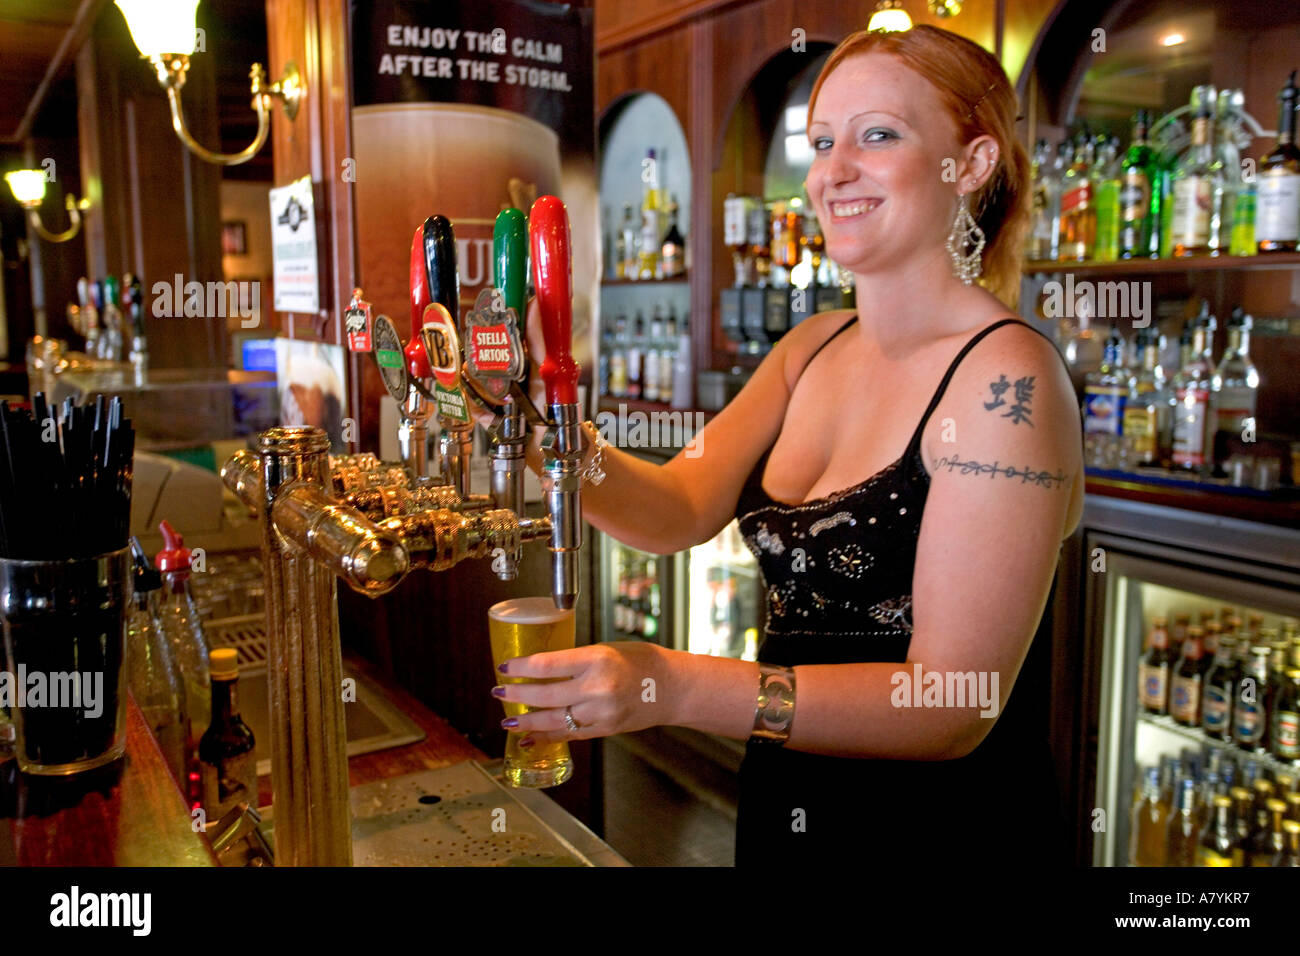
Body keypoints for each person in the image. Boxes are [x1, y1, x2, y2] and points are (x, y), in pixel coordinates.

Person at [490, 25, 1083, 865]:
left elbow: (955, 704)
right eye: (822, 141)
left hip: (938, 827)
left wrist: (672, 681)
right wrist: (541, 431)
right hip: (788, 793)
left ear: (972, 163)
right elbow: (675, 507)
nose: (831, 172)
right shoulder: (812, 347)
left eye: (878, 134)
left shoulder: (1006, 383)